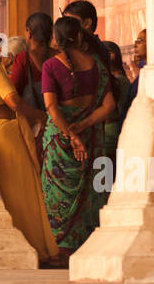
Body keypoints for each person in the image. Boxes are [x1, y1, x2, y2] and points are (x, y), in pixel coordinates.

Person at [0, 28, 58, 263]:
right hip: (7, 132)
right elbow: (14, 101)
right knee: (25, 189)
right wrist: (40, 115)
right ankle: (37, 247)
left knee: (10, 190)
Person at [41, 16, 116, 259]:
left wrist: (71, 135)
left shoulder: (51, 66)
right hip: (92, 137)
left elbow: (51, 107)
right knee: (92, 192)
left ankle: (59, 248)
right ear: (80, 37)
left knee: (56, 193)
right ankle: (88, 245)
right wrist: (83, 126)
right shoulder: (96, 65)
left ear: (56, 38)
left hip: (61, 140)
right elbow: (108, 106)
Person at [9, 12, 55, 152]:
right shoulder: (60, 57)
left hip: (34, 126)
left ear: (28, 32)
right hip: (59, 124)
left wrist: (40, 116)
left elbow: (13, 93)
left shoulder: (23, 59)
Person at [100, 40, 132, 171]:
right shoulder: (111, 79)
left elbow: (122, 110)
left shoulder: (120, 81)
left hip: (112, 130)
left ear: (111, 55)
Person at [129, 28, 146, 105]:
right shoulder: (143, 71)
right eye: (136, 42)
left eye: (140, 41)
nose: (135, 45)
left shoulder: (152, 73)